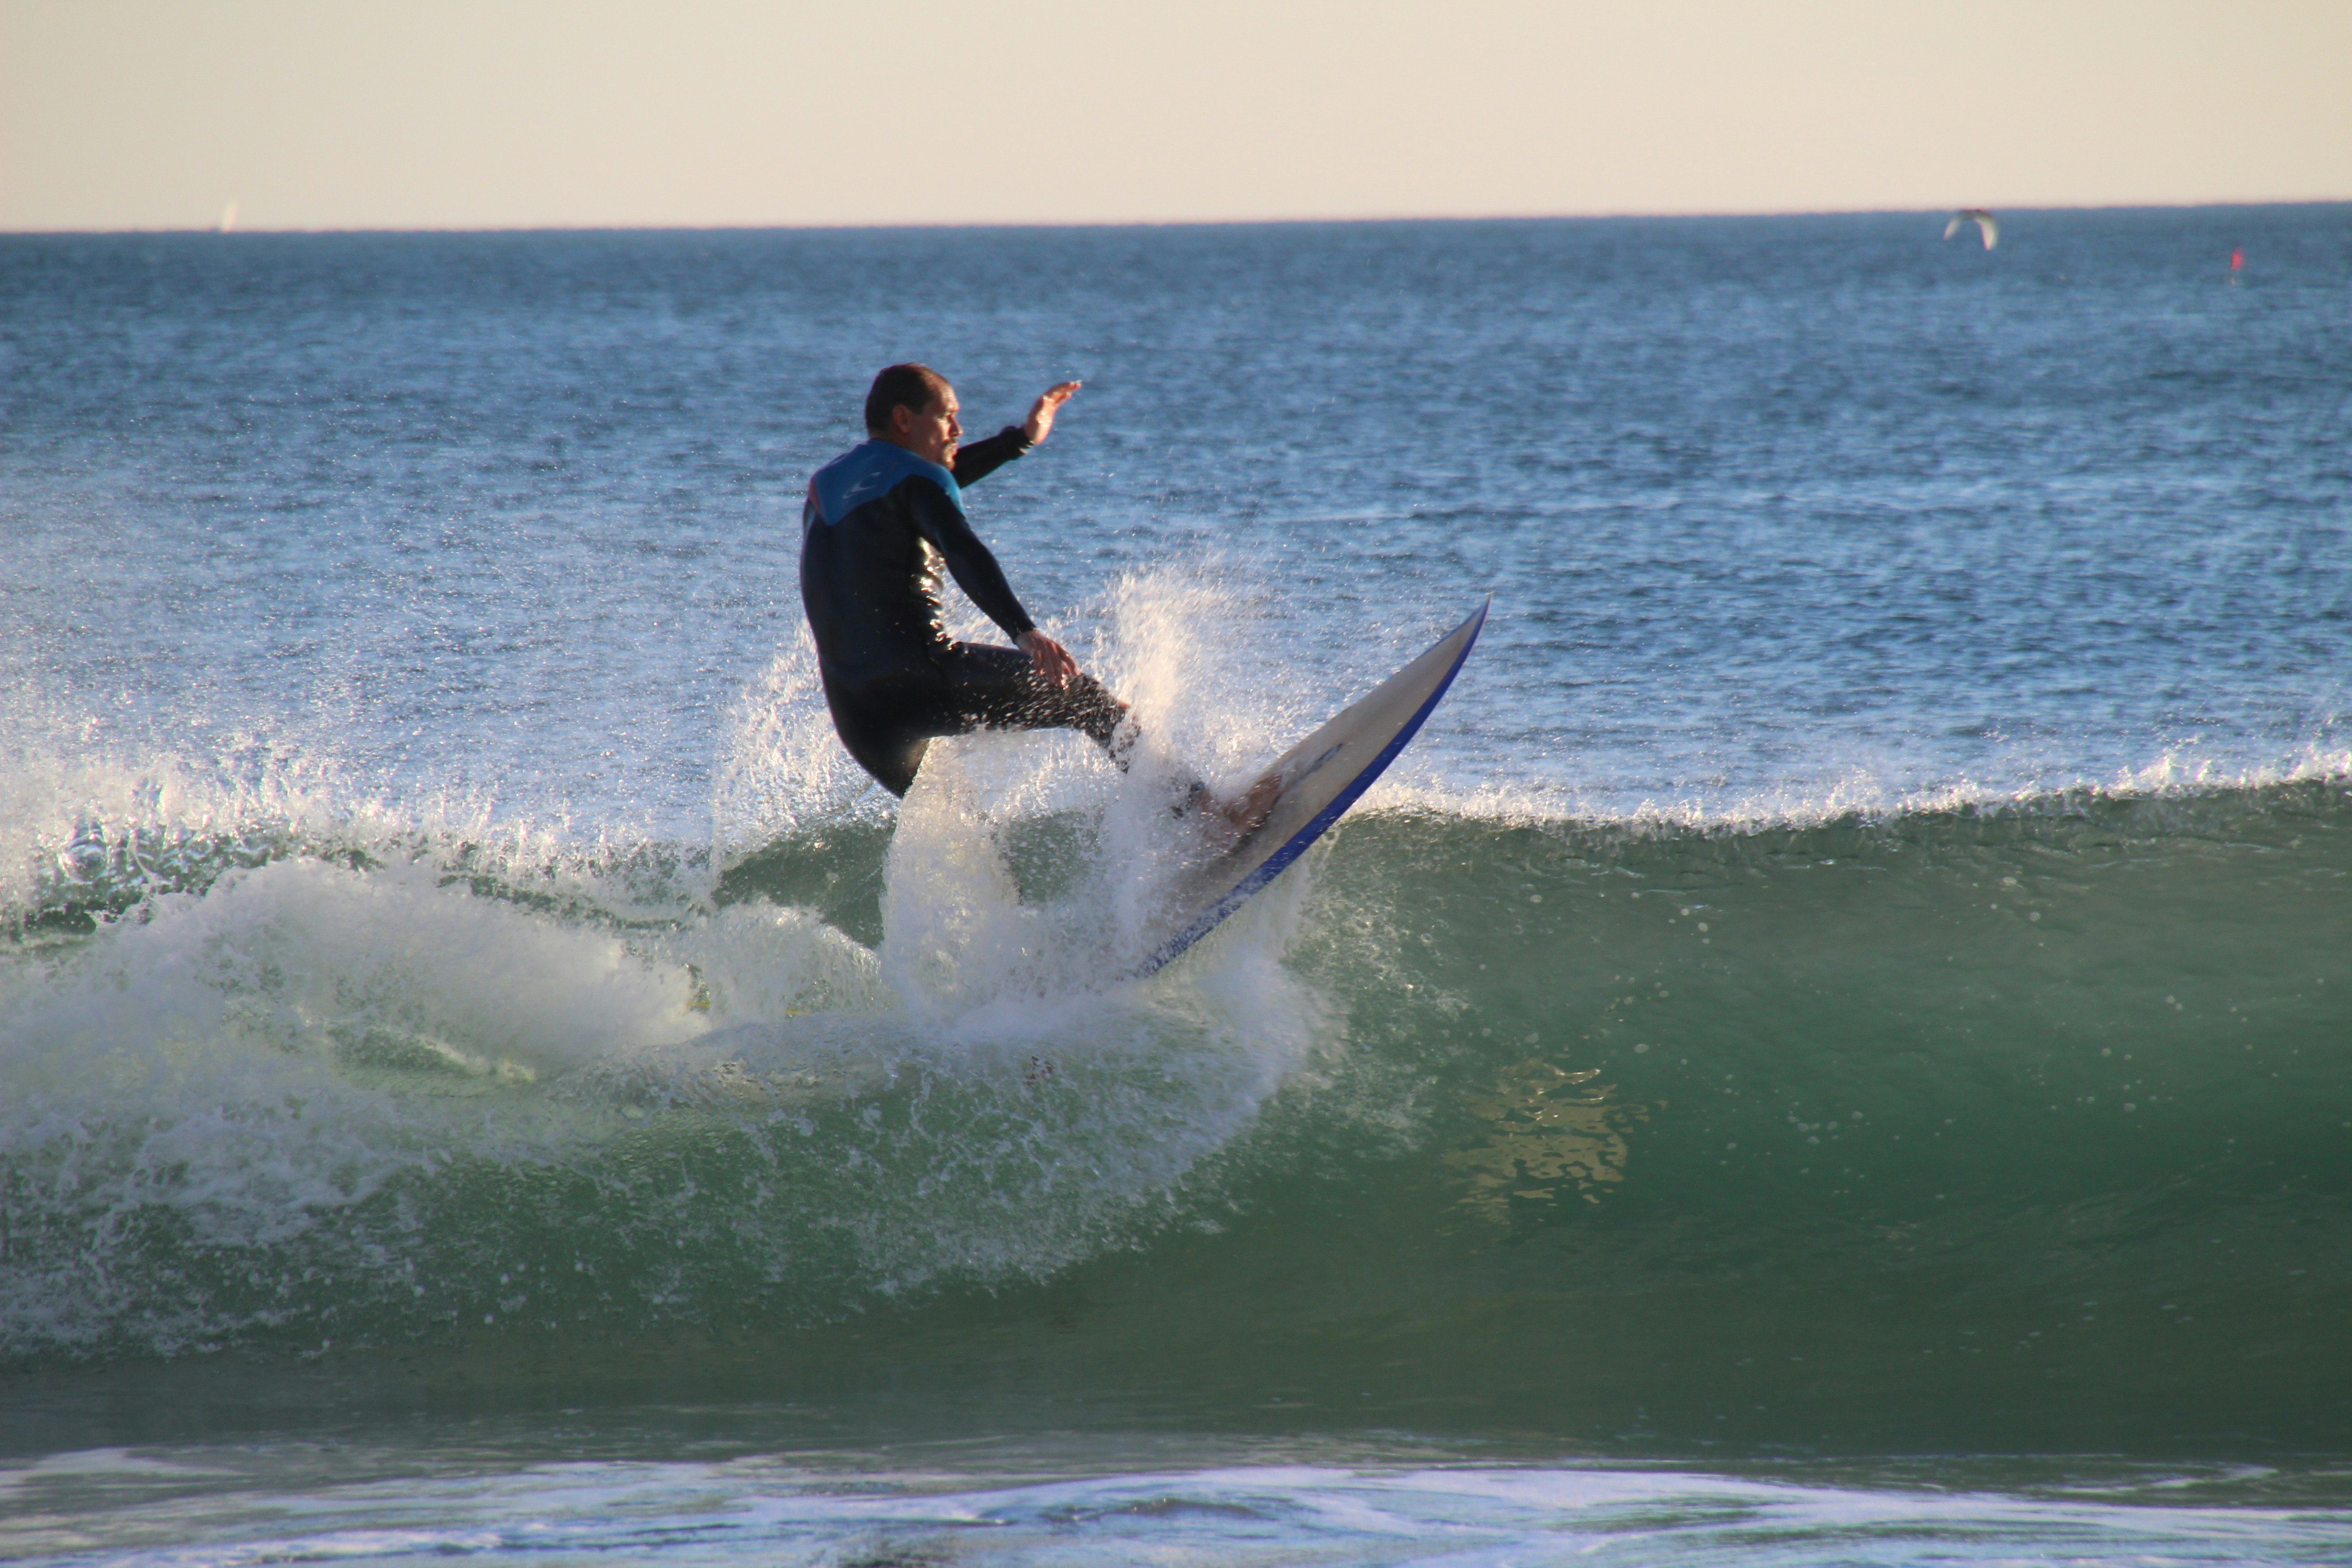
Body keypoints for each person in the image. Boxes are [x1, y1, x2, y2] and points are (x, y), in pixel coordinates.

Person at [800, 365, 1274, 833]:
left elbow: (920, 481)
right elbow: (963, 549)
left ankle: (995, 885)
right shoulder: (920, 481)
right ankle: (1215, 822)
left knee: (962, 824)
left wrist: (1020, 440)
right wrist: (1023, 632)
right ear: (904, 419)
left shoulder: (828, 486)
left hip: (858, 714)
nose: (958, 430)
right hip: (920, 675)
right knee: (1087, 701)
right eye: (946, 416)